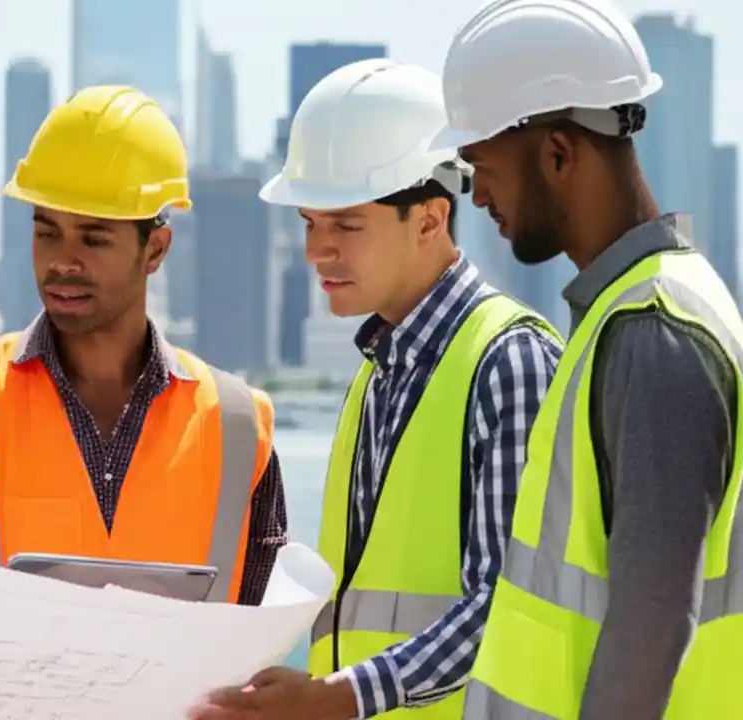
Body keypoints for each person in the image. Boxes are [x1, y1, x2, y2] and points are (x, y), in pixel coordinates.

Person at [189, 59, 563, 720]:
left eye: (344, 225)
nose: (316, 251)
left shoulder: (510, 363)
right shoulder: (374, 375)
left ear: (428, 220)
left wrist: (340, 698)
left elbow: (508, 602)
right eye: (309, 223)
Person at [0, 85, 287, 617]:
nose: (63, 262)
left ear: (154, 249)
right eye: (48, 233)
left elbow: (260, 620)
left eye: (93, 239)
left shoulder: (236, 425)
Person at [429, 0, 742, 717]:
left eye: (483, 169)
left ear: (559, 154)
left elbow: (651, 626)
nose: (479, 199)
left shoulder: (653, 334)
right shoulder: (623, 318)